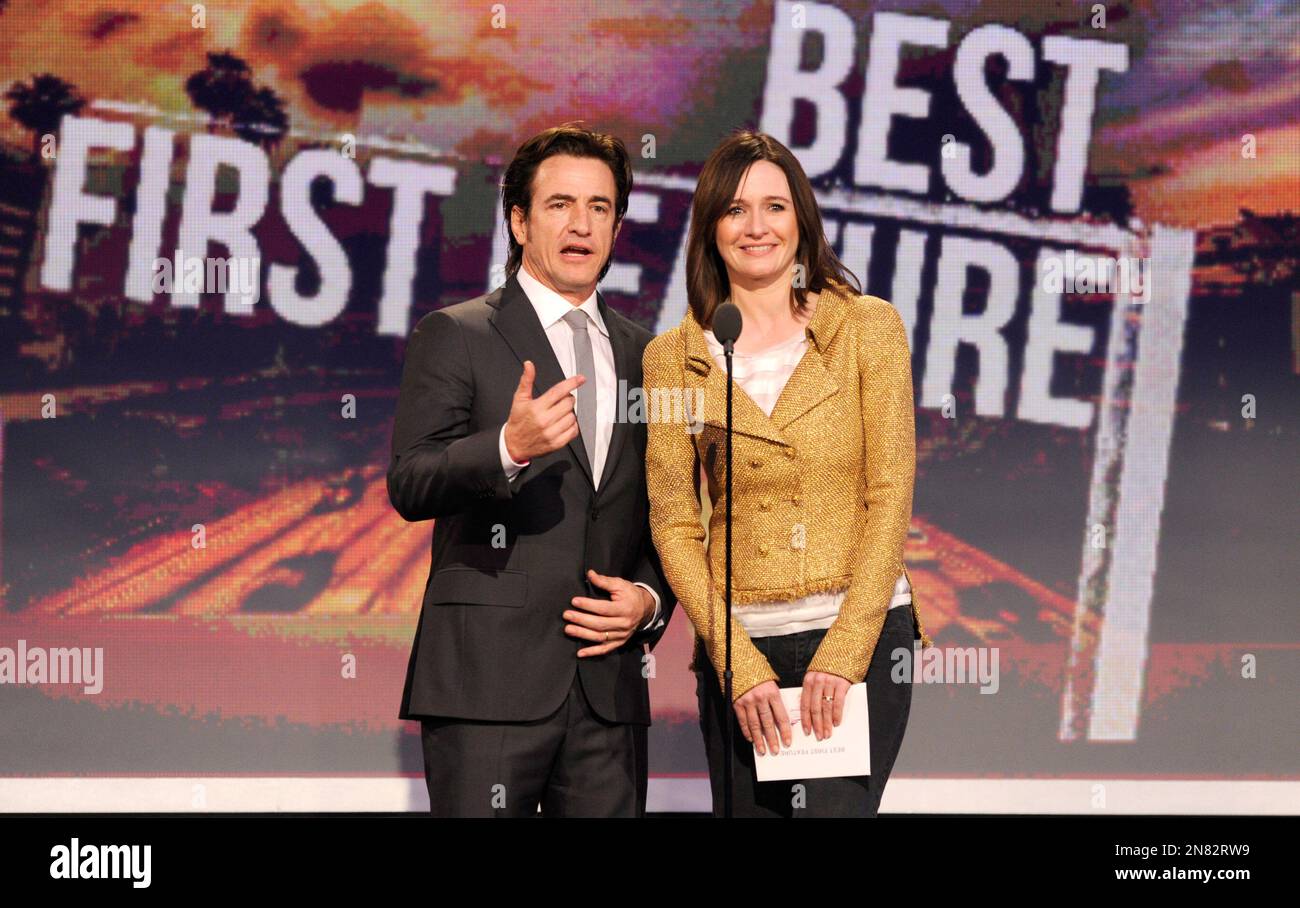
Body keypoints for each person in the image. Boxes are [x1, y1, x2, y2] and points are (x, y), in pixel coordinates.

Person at [642, 130, 934, 817]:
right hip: (742, 651)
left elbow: (890, 490)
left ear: (801, 218)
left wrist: (846, 649)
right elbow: (673, 521)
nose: (756, 227)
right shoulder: (669, 360)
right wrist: (735, 660)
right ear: (710, 228)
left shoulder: (867, 327)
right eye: (735, 210)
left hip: (856, 641)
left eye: (774, 206)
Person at [388, 123, 674, 817]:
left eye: (600, 207)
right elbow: (411, 479)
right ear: (519, 220)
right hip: (485, 686)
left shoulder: (652, 356)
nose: (581, 225)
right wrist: (506, 448)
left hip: (607, 697)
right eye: (559, 205)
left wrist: (649, 600)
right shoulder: (458, 333)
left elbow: (668, 512)